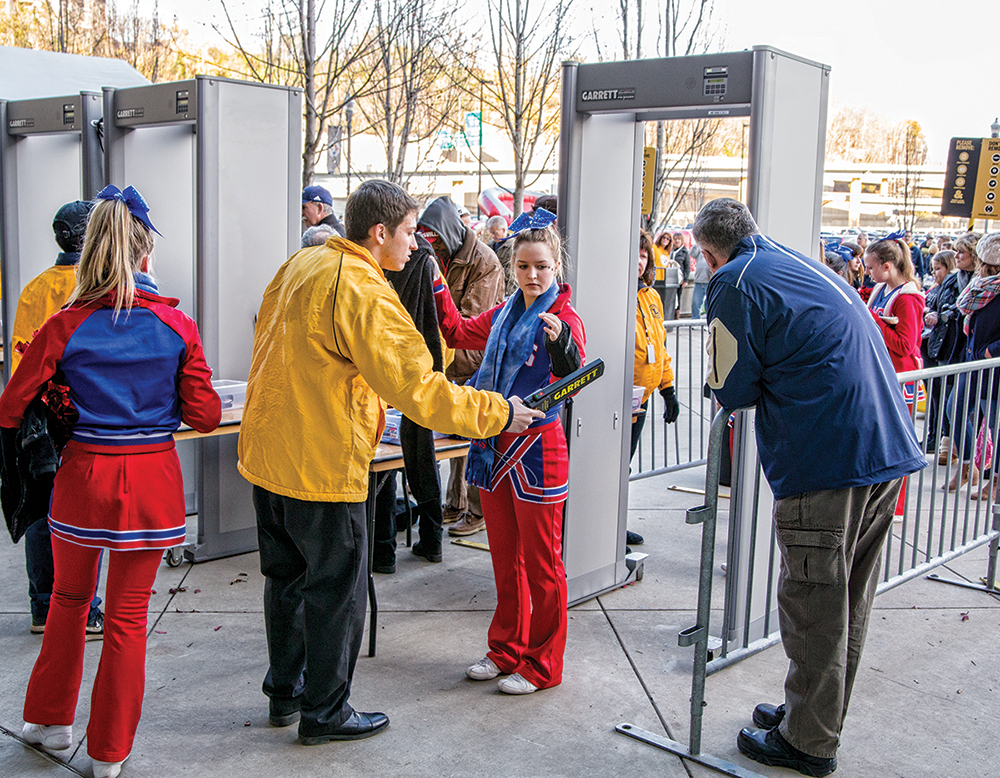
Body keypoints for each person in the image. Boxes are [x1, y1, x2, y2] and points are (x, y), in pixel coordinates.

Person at [237, 180, 541, 744]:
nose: (415, 244)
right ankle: (325, 712)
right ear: (379, 233)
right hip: (321, 469)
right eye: (407, 232)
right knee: (336, 592)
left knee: (285, 580)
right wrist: (498, 412)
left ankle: (285, 692)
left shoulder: (301, 265)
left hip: (268, 456)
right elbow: (419, 387)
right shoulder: (362, 288)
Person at [696, 198, 925, 777]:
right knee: (846, 601)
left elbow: (731, 387)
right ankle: (814, 717)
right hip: (881, 446)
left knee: (815, 605)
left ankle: (809, 742)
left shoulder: (733, 280)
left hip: (826, 458)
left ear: (707, 252)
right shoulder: (794, 262)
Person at [0, 185, 222, 778]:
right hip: (151, 482)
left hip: (82, 480)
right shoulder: (177, 325)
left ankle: (51, 721)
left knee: (69, 600)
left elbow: (11, 405)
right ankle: (109, 753)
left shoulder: (64, 325)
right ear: (145, 254)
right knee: (127, 618)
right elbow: (204, 415)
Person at [433, 208, 585, 696]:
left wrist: (563, 350)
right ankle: (506, 650)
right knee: (505, 560)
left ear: (556, 266)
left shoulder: (564, 319)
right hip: (493, 446)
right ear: (512, 266)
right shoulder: (503, 314)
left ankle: (544, 664)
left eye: (541, 266)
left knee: (543, 565)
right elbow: (457, 332)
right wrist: (433, 278)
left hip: (538, 452)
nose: (532, 275)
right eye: (523, 266)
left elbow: (573, 380)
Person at [10, 200, 105, 641]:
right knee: (81, 516)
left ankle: (42, 606)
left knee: (40, 510)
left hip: (37, 417)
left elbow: (21, 358)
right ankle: (86, 609)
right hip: (81, 417)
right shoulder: (96, 288)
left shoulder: (34, 288)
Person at [417, 195, 506, 537]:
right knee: (454, 440)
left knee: (472, 437)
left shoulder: (484, 261)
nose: (435, 246)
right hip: (444, 357)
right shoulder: (436, 255)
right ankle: (456, 502)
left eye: (438, 239)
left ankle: (475, 509)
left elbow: (470, 324)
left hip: (470, 360)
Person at [372, 233, 450, 571]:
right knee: (420, 452)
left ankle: (383, 550)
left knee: (386, 456)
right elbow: (442, 323)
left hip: (391, 367)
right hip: (422, 366)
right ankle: (431, 539)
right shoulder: (426, 262)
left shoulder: (384, 264)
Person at [629, 230, 680, 544]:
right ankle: (602, 530)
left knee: (624, 466)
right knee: (609, 466)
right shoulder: (614, 295)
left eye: (643, 255)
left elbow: (659, 347)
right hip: (617, 398)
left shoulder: (651, 296)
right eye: (633, 254)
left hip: (641, 398)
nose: (638, 261)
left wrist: (667, 389)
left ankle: (614, 525)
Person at [949, 233, 1000, 500]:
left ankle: (996, 480)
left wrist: (990, 351)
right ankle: (969, 465)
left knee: (995, 424)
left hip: (992, 367)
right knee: (954, 409)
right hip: (972, 362)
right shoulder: (980, 285)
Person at [921, 250, 959, 453]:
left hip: (942, 348)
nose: (934, 273)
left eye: (938, 268)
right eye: (932, 269)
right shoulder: (937, 288)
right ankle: (933, 435)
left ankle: (940, 438)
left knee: (941, 397)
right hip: (931, 345)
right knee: (934, 396)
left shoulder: (953, 288)